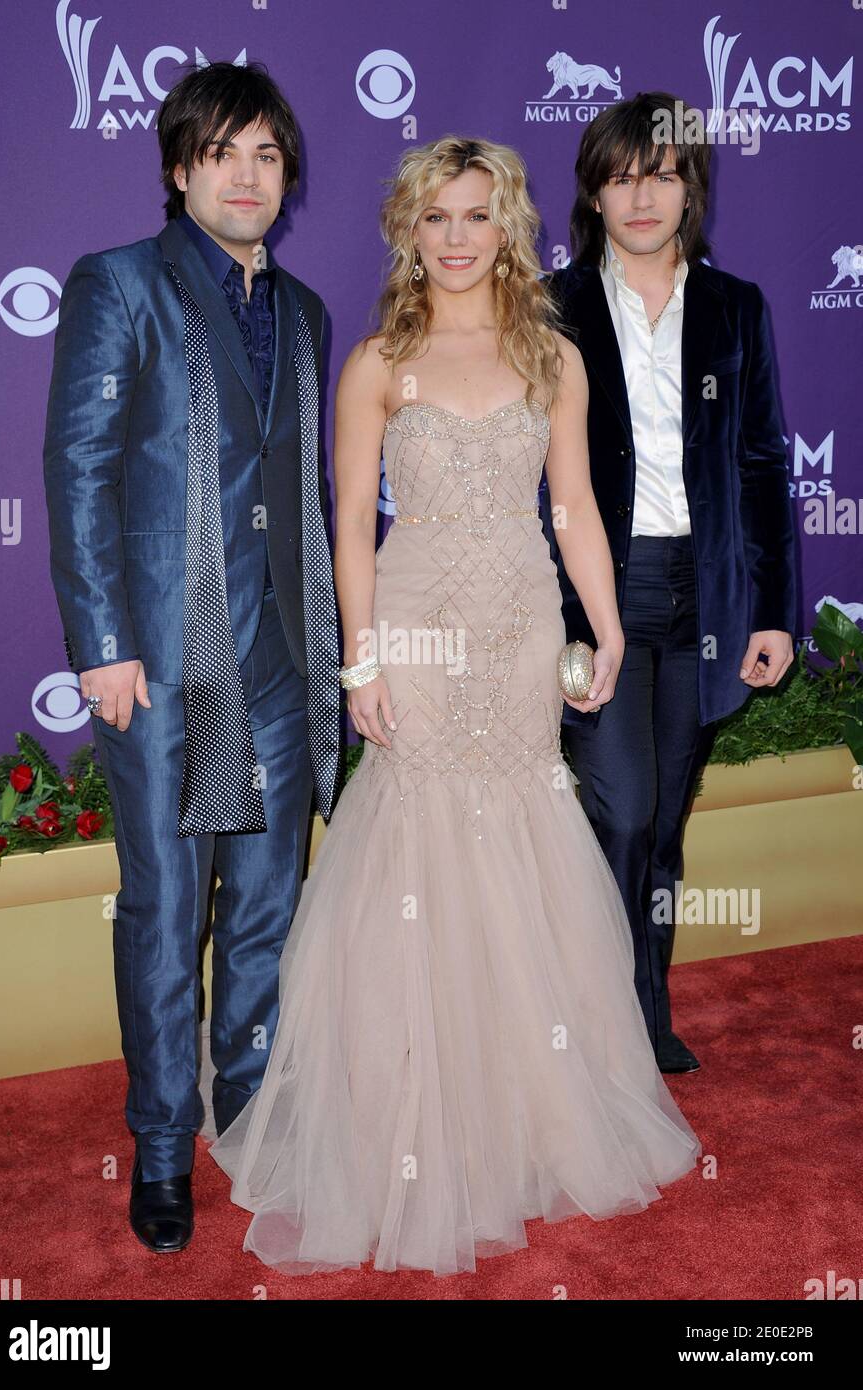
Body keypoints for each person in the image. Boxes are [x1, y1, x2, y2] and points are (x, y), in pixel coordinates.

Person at [208, 136, 701, 1277]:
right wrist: (360, 665)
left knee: (520, 851)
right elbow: (346, 529)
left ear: (510, 226)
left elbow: (572, 505)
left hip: (522, 623)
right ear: (407, 228)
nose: (458, 238)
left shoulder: (554, 358)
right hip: (419, 627)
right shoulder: (381, 360)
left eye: (478, 216)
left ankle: (522, 1114)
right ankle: (405, 1126)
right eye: (437, 218)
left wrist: (606, 620)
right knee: (416, 858)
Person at [42, 61, 340, 1254]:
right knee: (168, 914)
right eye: (224, 153)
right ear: (179, 169)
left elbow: (304, 495)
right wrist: (103, 647)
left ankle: (253, 1122)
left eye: (267, 155)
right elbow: (81, 471)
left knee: (267, 909)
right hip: (167, 665)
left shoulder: (308, 312)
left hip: (273, 667)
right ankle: (160, 1148)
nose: (247, 175)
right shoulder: (120, 285)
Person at [538, 93, 796, 1074]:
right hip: (595, 592)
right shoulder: (549, 307)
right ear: (593, 193)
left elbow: (764, 465)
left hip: (708, 591)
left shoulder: (736, 307)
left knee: (664, 827)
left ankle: (641, 1016)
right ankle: (600, 1029)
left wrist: (770, 612)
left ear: (690, 186)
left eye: (661, 171)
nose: (640, 195)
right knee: (622, 811)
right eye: (619, 174)